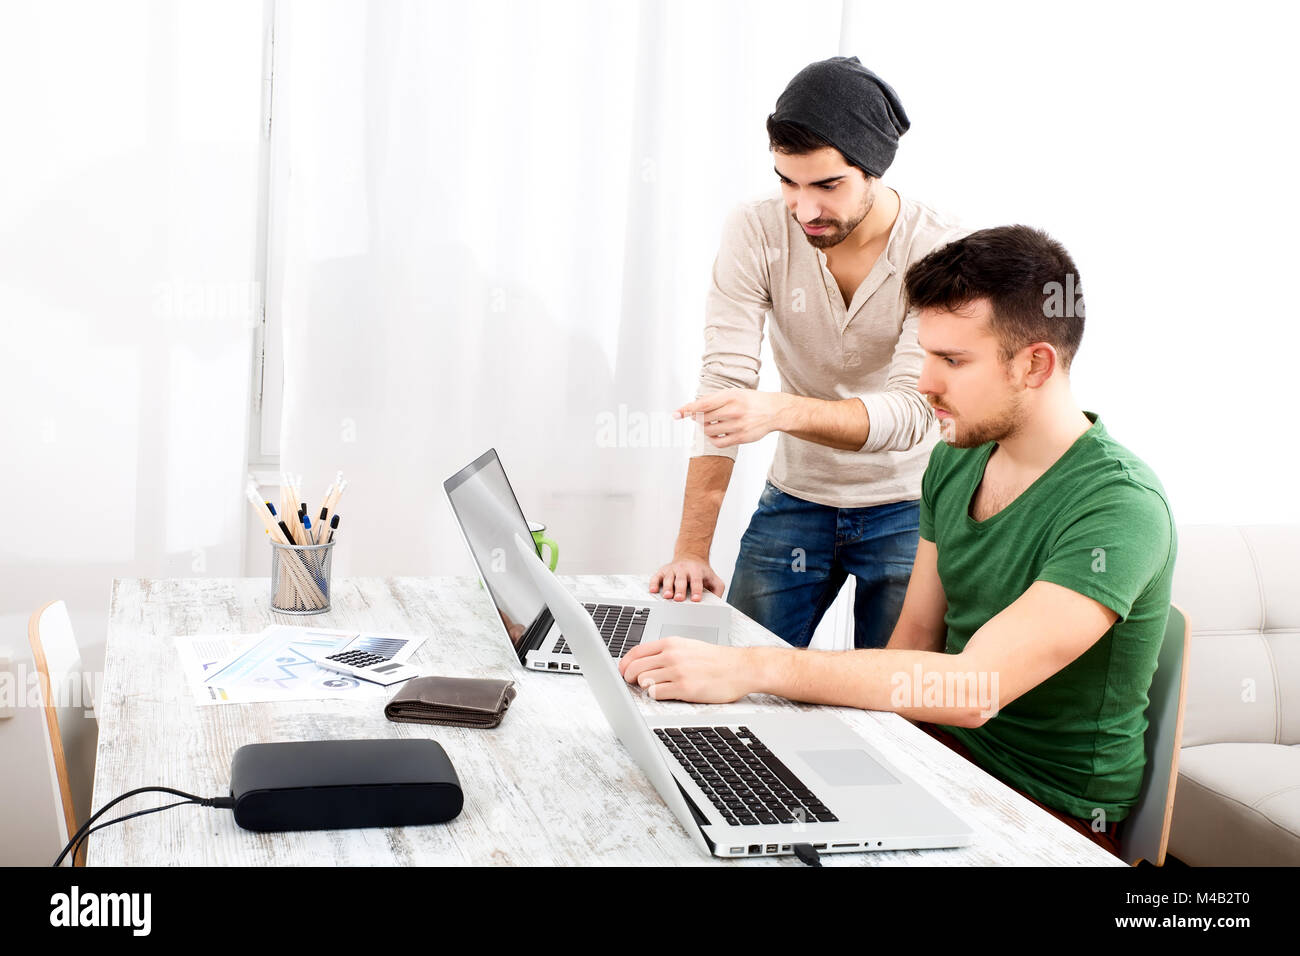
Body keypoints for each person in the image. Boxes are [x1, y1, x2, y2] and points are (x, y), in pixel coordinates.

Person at [625, 225, 1177, 852]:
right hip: (938, 755)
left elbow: (972, 689)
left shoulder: (1121, 507)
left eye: (952, 361)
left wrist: (751, 667)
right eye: (927, 354)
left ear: (1035, 364)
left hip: (1047, 813)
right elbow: (915, 640)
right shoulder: (955, 459)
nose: (924, 382)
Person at [650, 56, 962, 650]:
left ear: (873, 170)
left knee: (892, 707)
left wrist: (779, 411)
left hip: (909, 506)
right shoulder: (756, 229)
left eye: (827, 185)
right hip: (797, 495)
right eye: (787, 182)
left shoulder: (939, 247)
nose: (804, 209)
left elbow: (912, 410)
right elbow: (725, 377)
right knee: (732, 676)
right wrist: (691, 550)